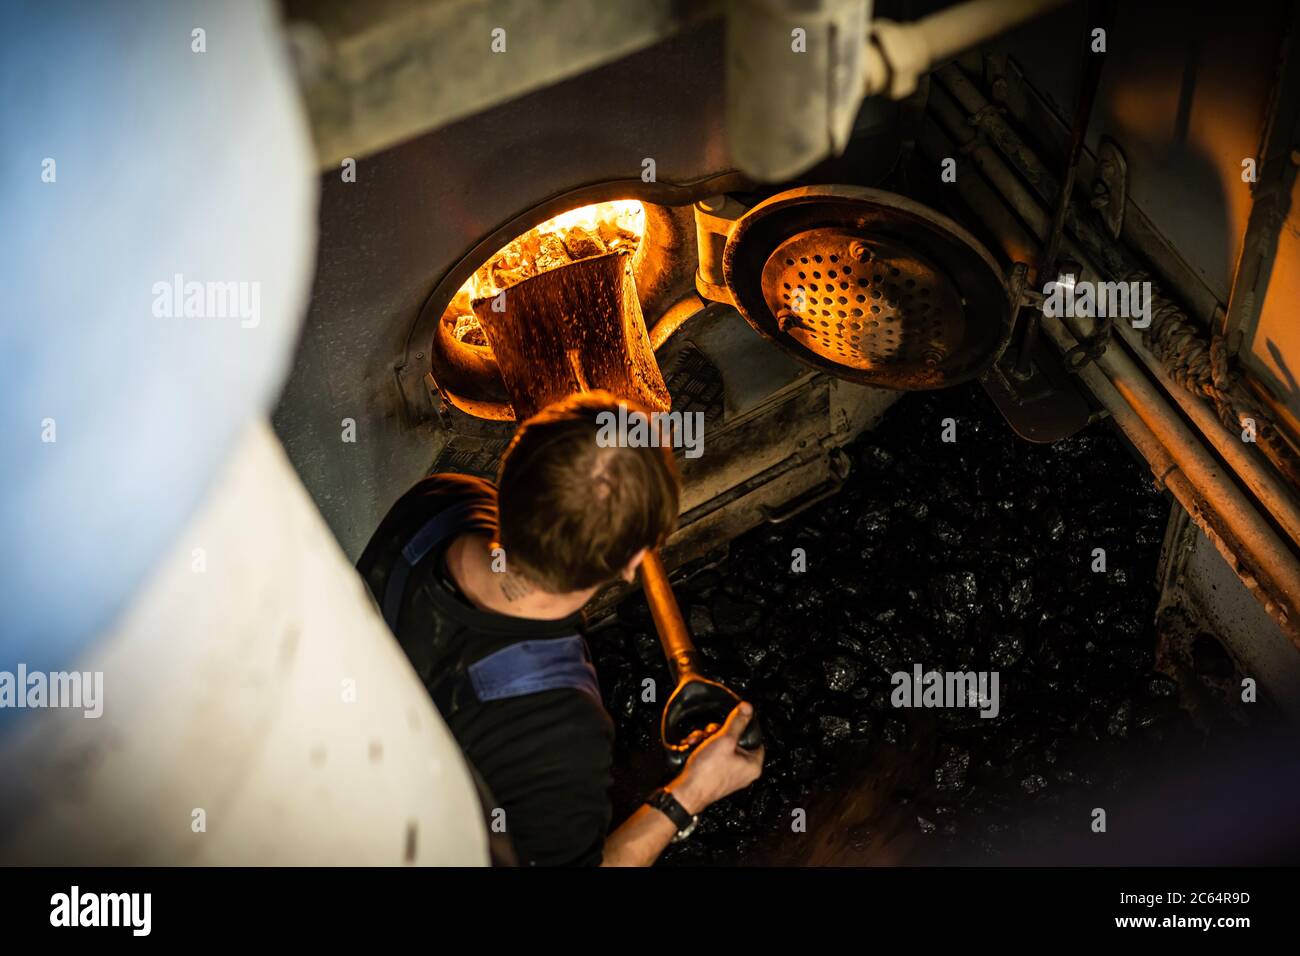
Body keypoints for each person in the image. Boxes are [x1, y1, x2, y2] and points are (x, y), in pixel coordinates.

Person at [357, 390, 764, 866]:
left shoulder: (443, 498)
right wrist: (691, 793)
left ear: (509, 471)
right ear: (635, 563)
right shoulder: (561, 731)